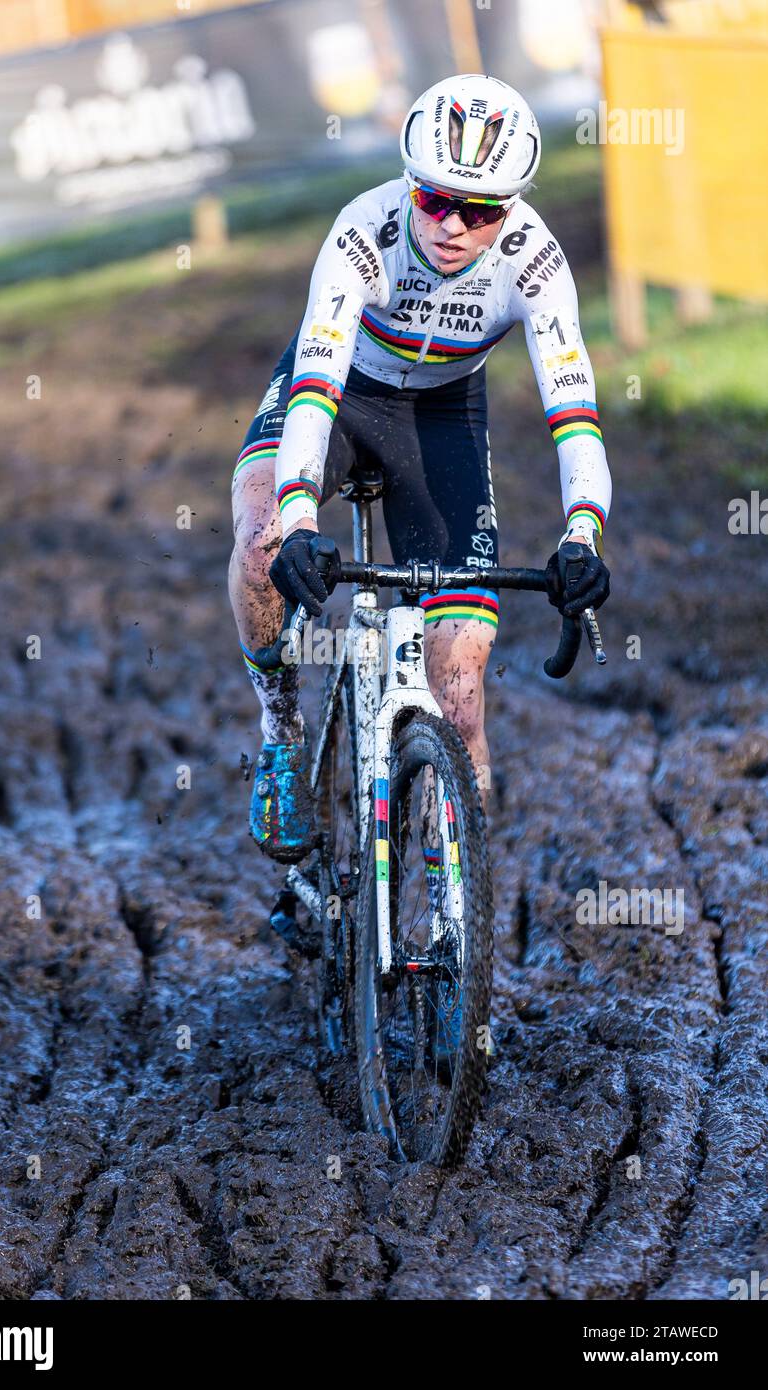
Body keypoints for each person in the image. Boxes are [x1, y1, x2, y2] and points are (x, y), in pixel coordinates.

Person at [230, 74, 611, 863]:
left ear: (508, 211)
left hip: (439, 418)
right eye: (435, 200)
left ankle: (456, 917)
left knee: (463, 697)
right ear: (409, 185)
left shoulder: (534, 261)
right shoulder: (360, 233)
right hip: (338, 396)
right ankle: (280, 732)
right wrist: (301, 515)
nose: (452, 226)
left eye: (479, 211)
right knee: (262, 538)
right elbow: (315, 386)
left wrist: (583, 535)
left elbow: (574, 412)